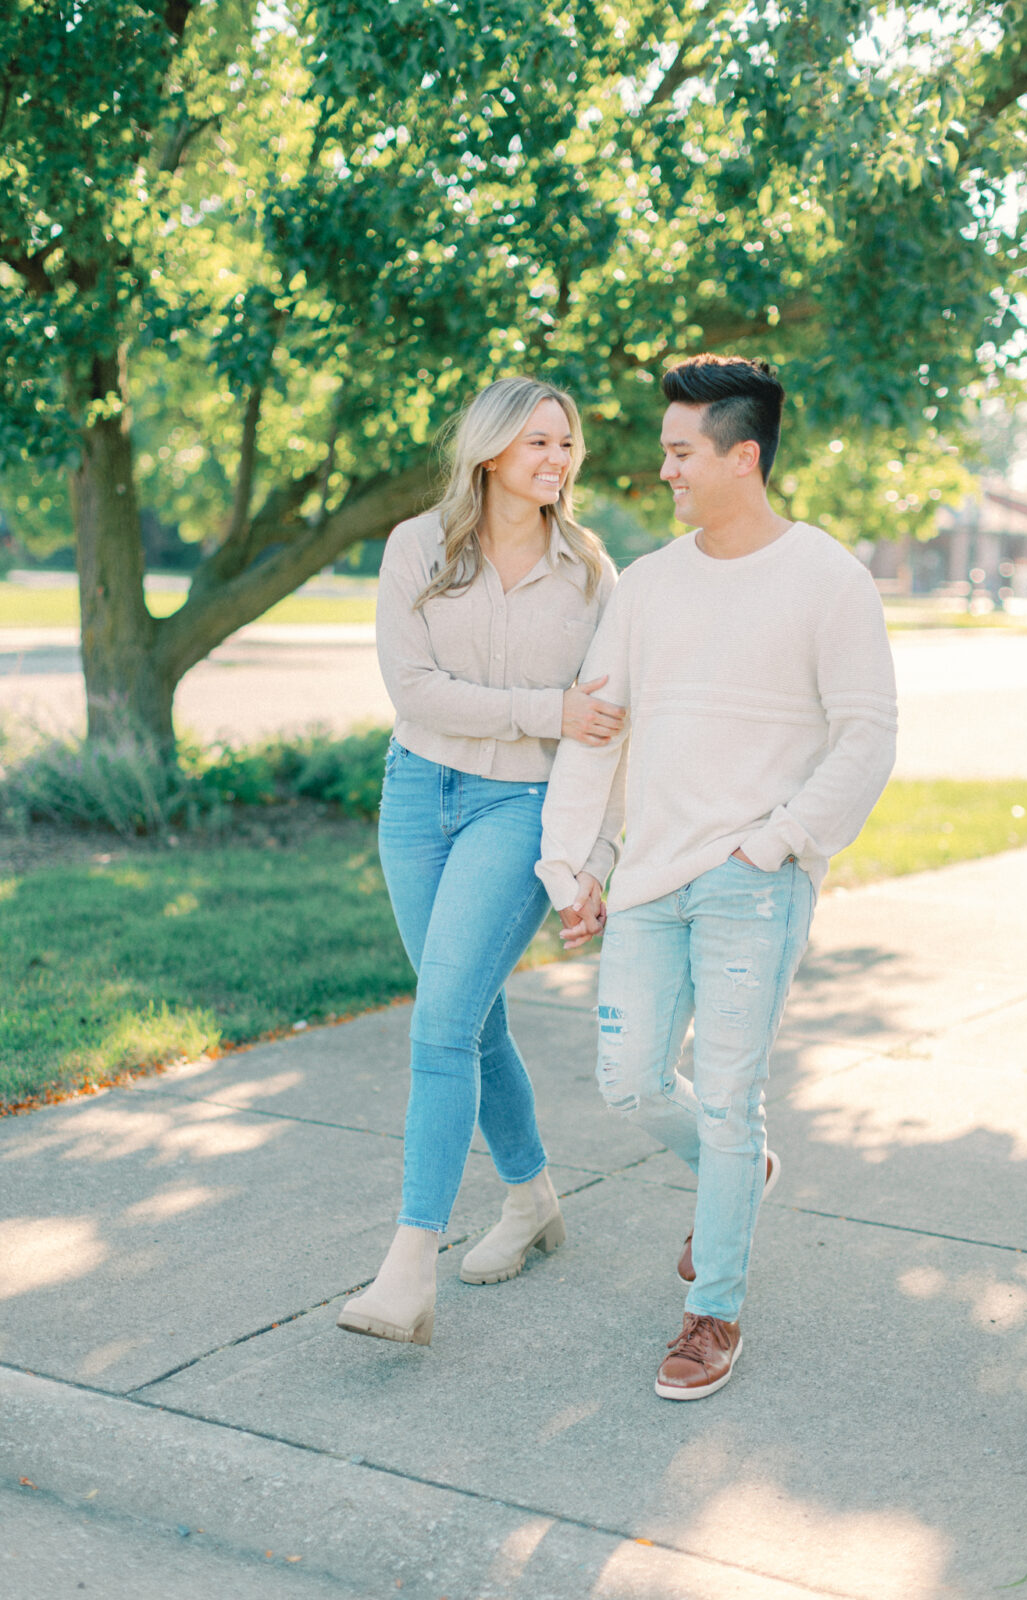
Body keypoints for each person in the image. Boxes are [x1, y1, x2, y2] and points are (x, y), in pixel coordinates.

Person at [535, 354, 897, 1399]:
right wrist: (581, 862)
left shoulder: (826, 575)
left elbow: (866, 735)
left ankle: (712, 1311)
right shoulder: (646, 585)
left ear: (744, 456)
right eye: (664, 451)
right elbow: (599, 731)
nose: (666, 471)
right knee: (630, 1079)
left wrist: (780, 839)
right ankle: (738, 1177)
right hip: (651, 878)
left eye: (682, 452)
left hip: (754, 878)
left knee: (732, 1101)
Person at [337, 376, 622, 1346]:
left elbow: (610, 729)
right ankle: (531, 1195)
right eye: (538, 441)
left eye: (567, 444)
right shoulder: (418, 546)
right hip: (416, 795)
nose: (557, 458)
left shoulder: (589, 572)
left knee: (440, 1021)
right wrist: (546, 710)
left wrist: (597, 856)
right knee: (470, 1015)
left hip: (520, 807)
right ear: (491, 449)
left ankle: (408, 1267)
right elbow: (414, 691)